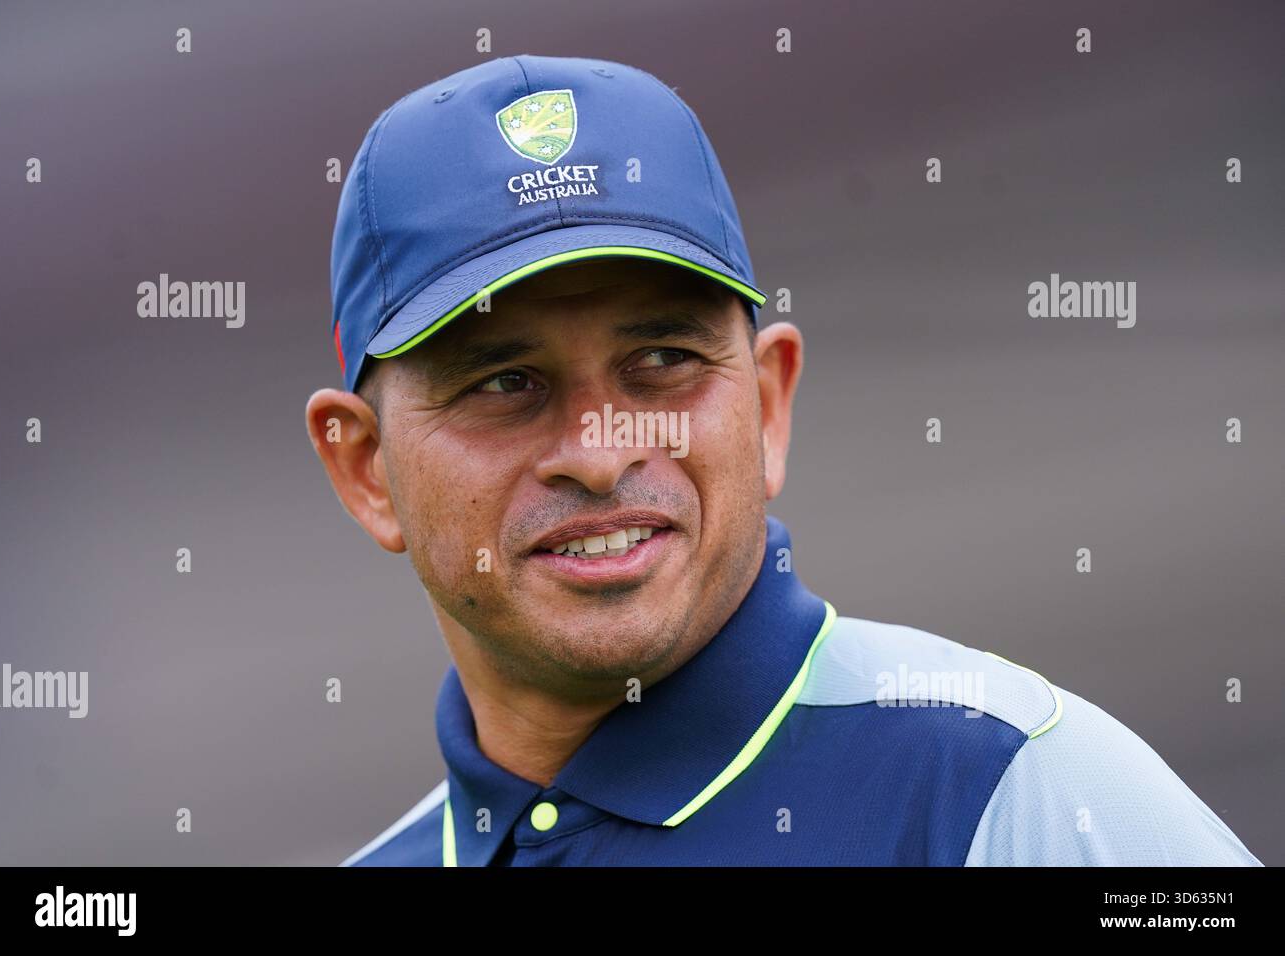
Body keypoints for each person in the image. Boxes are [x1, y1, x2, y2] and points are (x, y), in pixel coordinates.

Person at [306, 54, 1262, 866]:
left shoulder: (1006, 793)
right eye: (506, 383)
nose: (599, 456)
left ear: (765, 406)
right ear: (365, 471)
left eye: (663, 362)